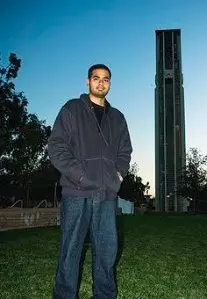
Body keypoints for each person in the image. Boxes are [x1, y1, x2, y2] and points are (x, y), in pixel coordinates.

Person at [48, 64, 132, 299]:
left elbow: (125, 151)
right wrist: (81, 176)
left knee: (106, 253)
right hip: (77, 192)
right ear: (88, 81)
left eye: (106, 79)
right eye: (96, 78)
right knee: (70, 251)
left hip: (106, 195)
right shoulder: (72, 108)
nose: (101, 83)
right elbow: (56, 147)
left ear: (110, 84)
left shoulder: (117, 118)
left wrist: (118, 176)